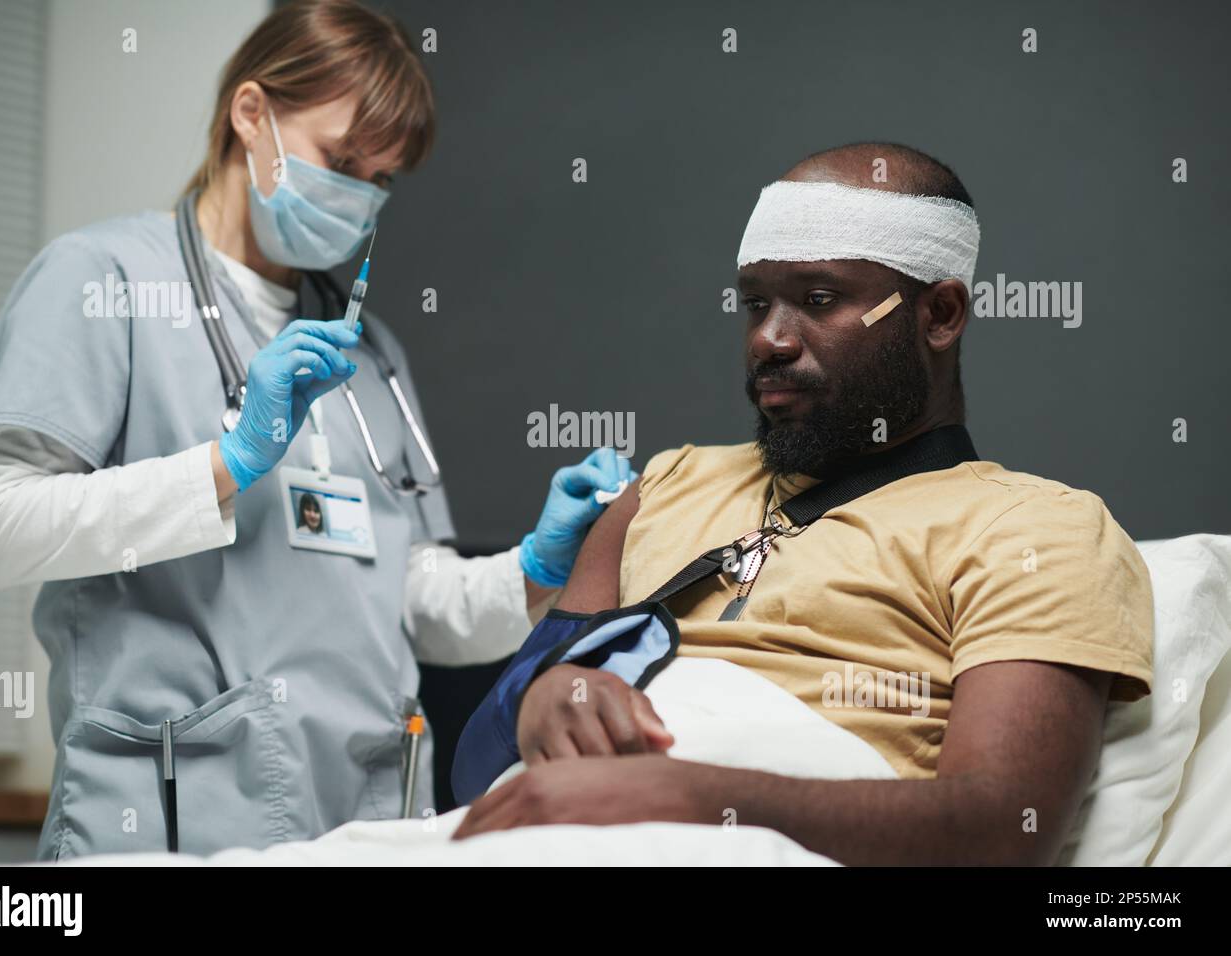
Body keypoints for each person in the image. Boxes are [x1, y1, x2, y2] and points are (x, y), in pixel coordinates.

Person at [0, 0, 630, 859]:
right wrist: (230, 463)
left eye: (381, 180)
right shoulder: (103, 282)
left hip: (367, 817)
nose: (358, 198)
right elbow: (5, 532)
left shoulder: (370, 354)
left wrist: (532, 571)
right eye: (341, 159)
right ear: (252, 114)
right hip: (173, 818)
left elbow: (414, 607)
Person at [451, 143, 1154, 866]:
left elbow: (1002, 829)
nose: (768, 340)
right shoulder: (665, 485)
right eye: (756, 303)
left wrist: (685, 798)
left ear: (939, 314)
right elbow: (493, 751)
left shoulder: (1033, 529)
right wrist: (544, 695)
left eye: (818, 300)